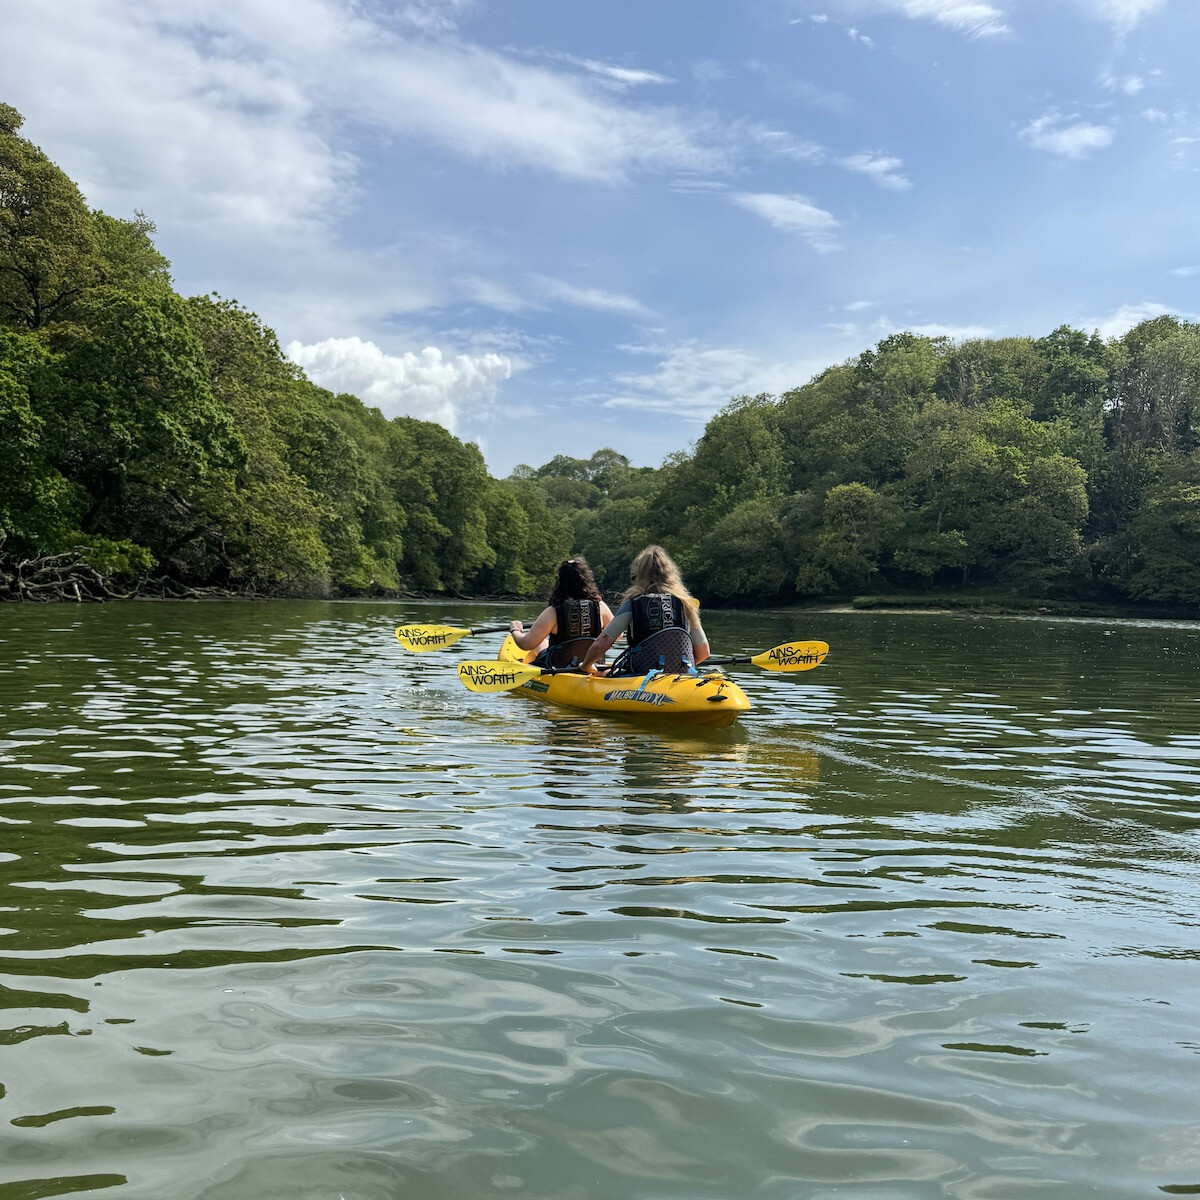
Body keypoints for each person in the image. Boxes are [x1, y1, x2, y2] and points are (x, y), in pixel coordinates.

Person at [580, 544, 709, 676]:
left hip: (640, 673)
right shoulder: (685, 604)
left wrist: (587, 665)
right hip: (681, 674)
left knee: (600, 674)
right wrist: (676, 666)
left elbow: (602, 643)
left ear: (639, 575)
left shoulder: (634, 603)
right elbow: (704, 652)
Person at [509, 557, 616, 669]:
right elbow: (617, 636)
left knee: (541, 643)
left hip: (559, 669)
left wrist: (515, 630)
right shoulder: (600, 606)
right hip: (593, 665)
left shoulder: (553, 612)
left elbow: (526, 644)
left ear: (560, 582)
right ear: (587, 580)